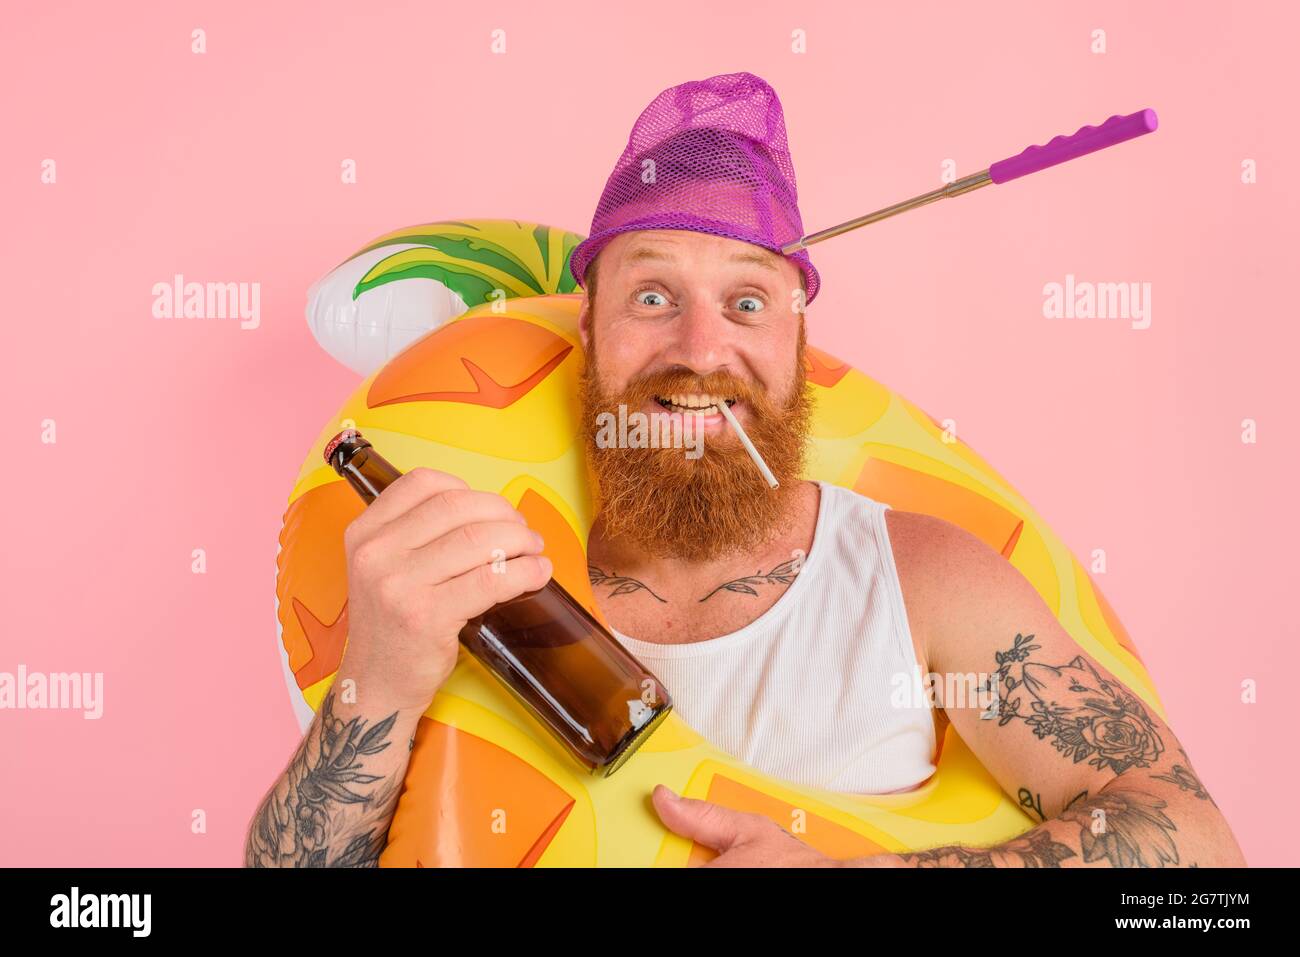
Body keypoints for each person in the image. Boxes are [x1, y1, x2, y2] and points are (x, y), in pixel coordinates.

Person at [245, 72, 1245, 868]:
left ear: (798, 347)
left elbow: (1195, 851)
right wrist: (375, 678)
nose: (701, 348)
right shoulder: (469, 572)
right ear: (584, 331)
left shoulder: (918, 584)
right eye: (650, 299)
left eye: (748, 303)